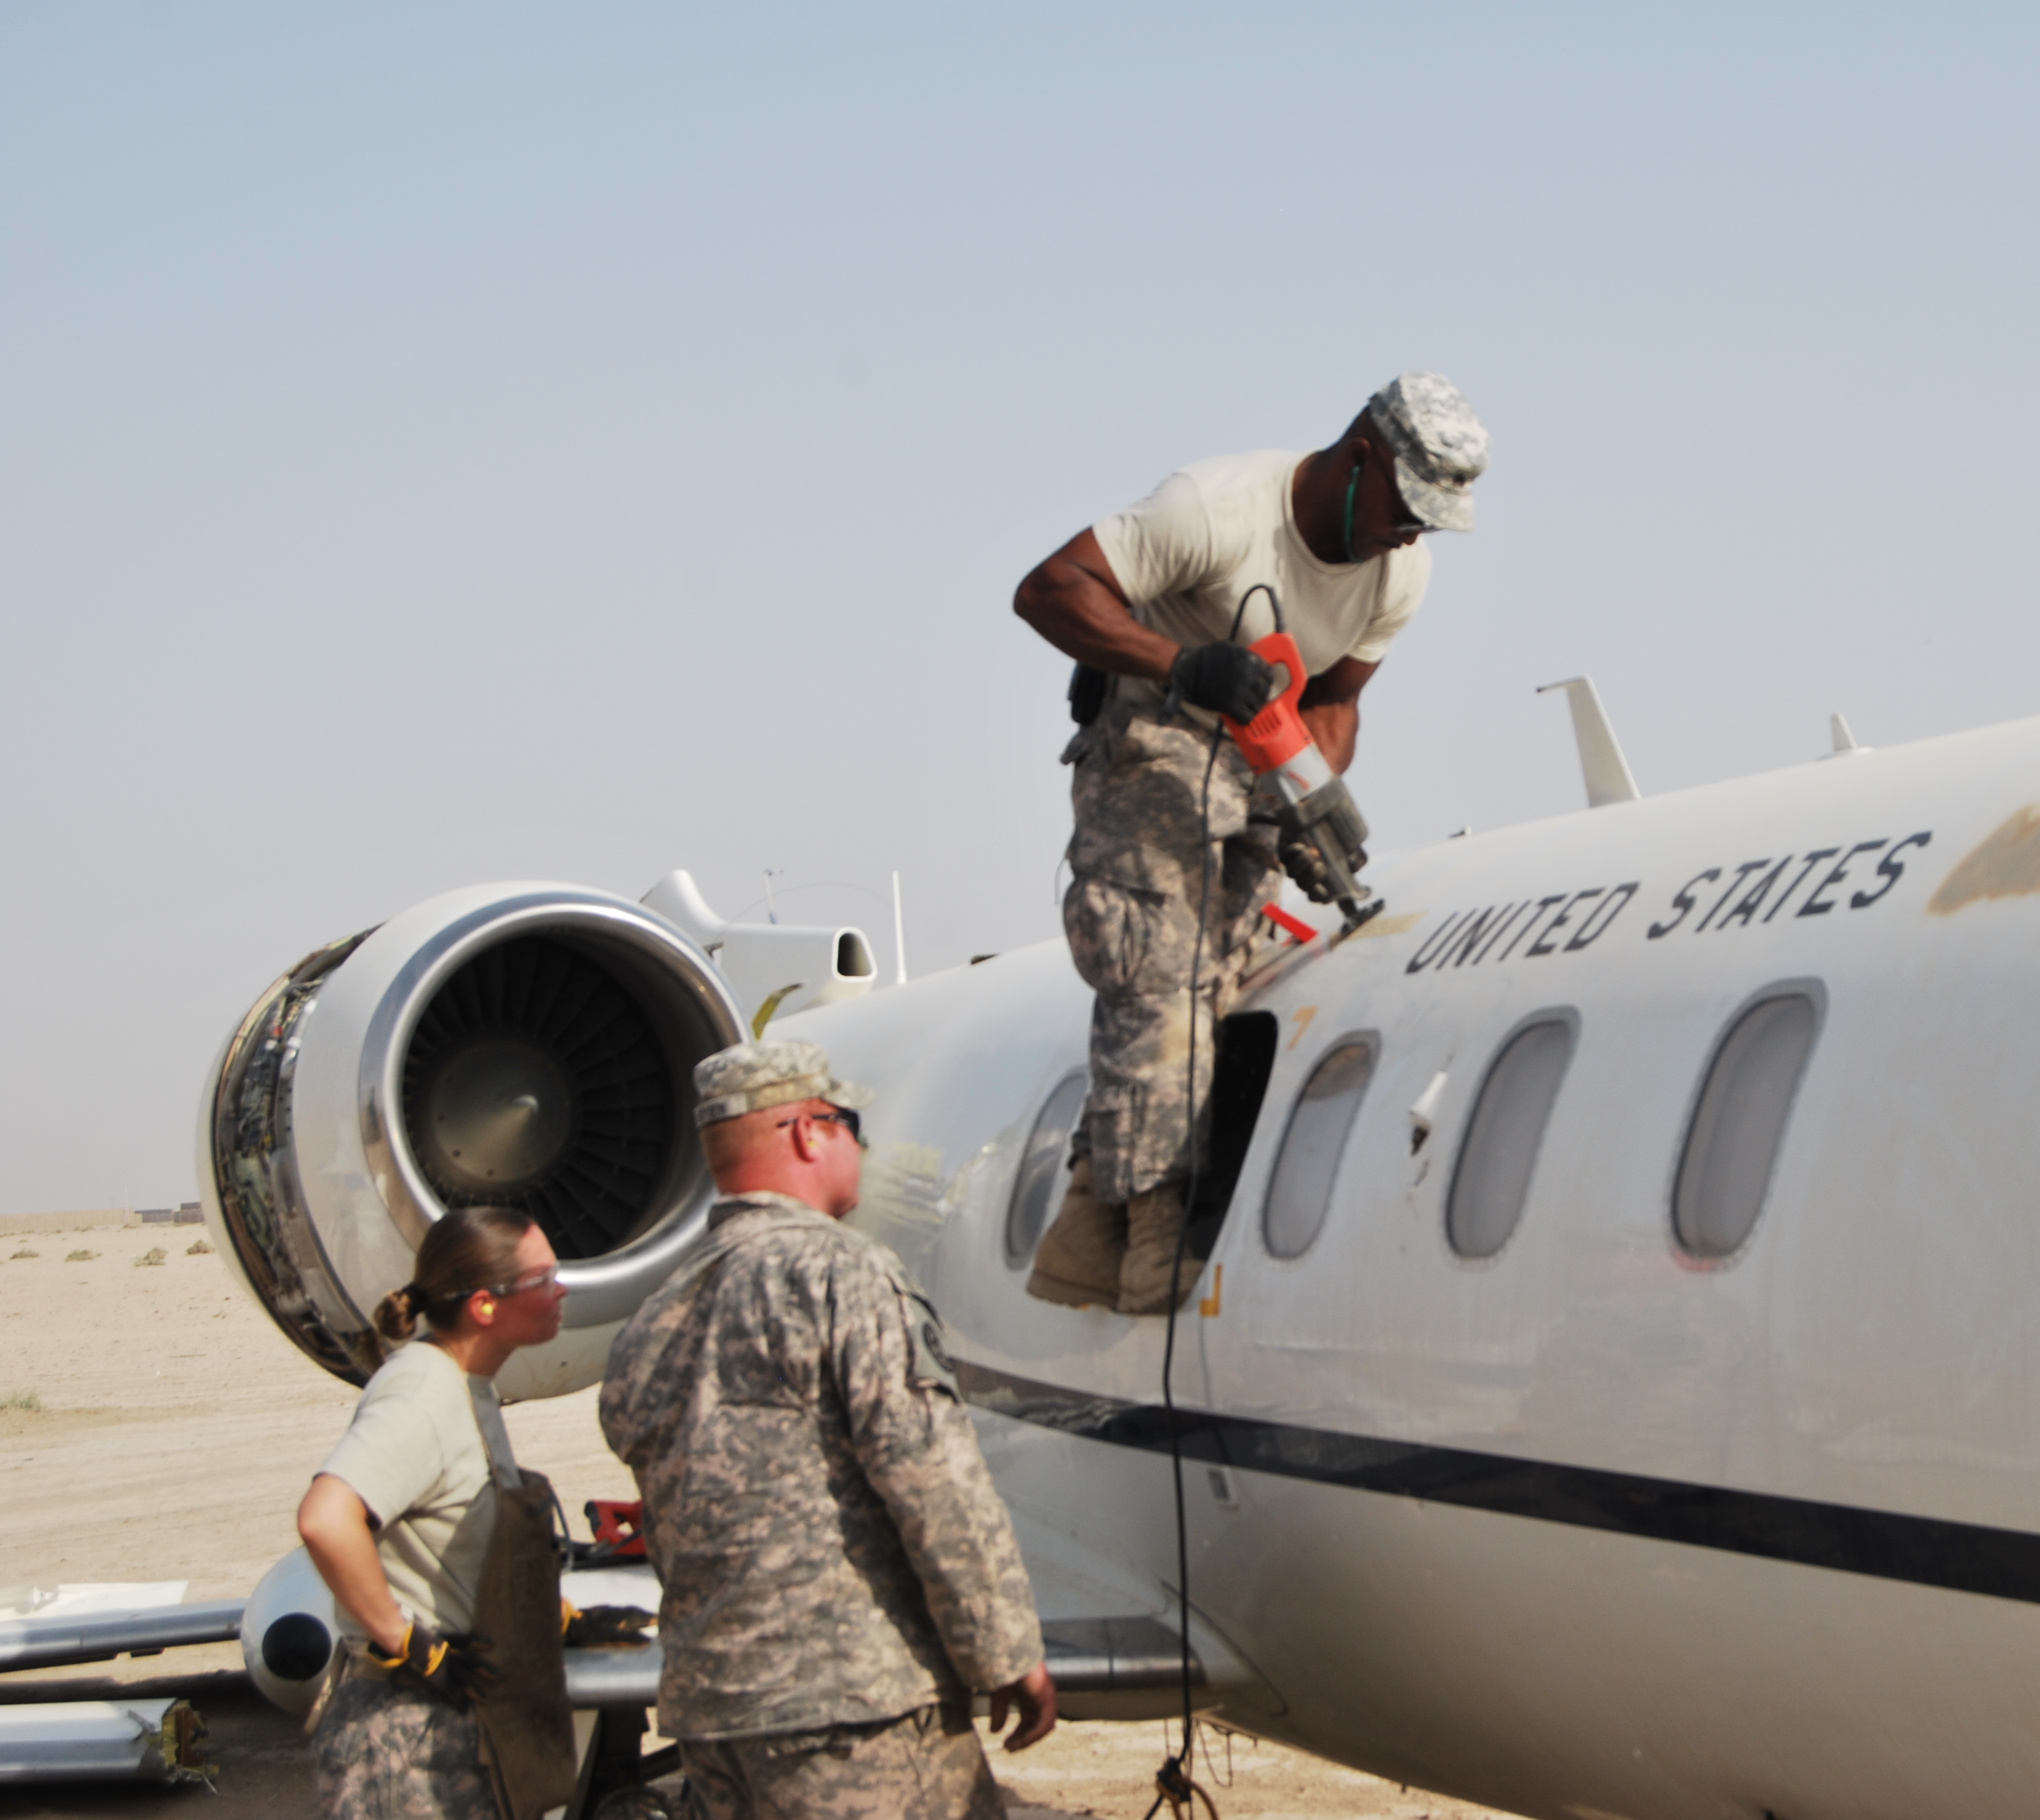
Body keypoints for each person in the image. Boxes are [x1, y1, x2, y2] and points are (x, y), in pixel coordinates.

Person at [1012, 371, 1489, 1314]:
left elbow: (1335, 702)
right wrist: (1180, 663)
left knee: (1228, 968)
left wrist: (1306, 799)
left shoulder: (1399, 572)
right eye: (1404, 508)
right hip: (1151, 733)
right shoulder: (1217, 508)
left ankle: (1086, 1215)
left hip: (1256, 750)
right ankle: (1154, 1230)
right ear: (1360, 460)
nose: (1411, 534)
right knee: (1160, 960)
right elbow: (1049, 590)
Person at [601, 1038, 1055, 1820]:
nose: (860, 1148)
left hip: (715, 1721)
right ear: (808, 1132)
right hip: (851, 1711)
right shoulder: (842, 1273)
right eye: (850, 1125)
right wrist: (1004, 1648)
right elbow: (930, 1475)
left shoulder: (658, 1314)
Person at [296, 1204, 577, 1820]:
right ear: (484, 1305)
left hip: (453, 1722)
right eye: (542, 1280)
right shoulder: (423, 1393)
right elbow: (327, 1518)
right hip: (405, 1738)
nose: (561, 1291)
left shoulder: (466, 1386)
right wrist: (407, 1641)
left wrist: (549, 1617)